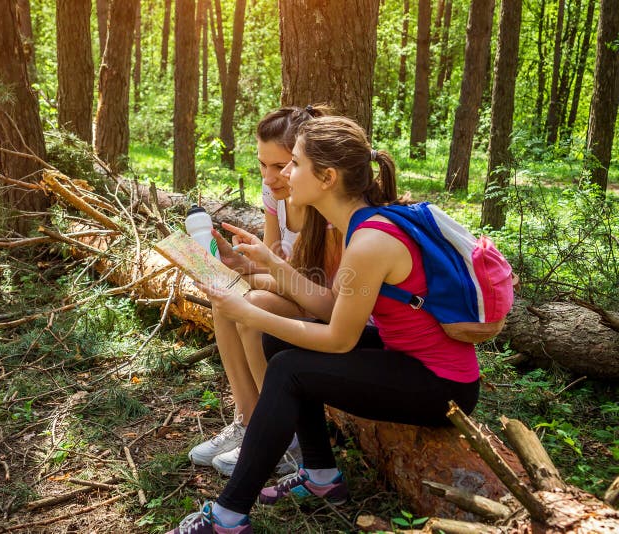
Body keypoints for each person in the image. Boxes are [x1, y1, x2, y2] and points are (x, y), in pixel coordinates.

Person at [168, 116, 481, 533]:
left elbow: (337, 339)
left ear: (328, 177)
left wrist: (250, 313)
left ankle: (226, 517)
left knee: (288, 367)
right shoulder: (363, 224)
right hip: (408, 359)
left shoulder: (369, 241)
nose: (284, 175)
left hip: (442, 385)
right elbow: (333, 304)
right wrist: (268, 261)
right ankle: (321, 478)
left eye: (293, 164)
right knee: (281, 350)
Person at [188, 106, 342, 477]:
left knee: (249, 302)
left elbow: (318, 291)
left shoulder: (328, 206)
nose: (272, 178)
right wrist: (237, 264)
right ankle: (250, 420)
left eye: (281, 166)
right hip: (294, 294)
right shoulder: (275, 196)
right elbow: (274, 263)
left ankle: (283, 435)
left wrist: (252, 276)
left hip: (328, 308)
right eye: (263, 165)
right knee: (224, 298)